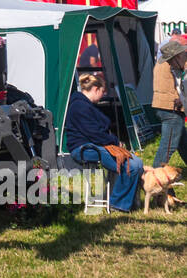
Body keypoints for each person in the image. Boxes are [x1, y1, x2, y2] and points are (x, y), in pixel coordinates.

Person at [64, 71, 143, 212]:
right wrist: (114, 141)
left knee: (136, 163)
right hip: (85, 149)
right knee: (132, 165)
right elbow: (94, 133)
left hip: (94, 146)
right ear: (95, 89)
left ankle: (121, 201)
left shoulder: (84, 104)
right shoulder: (79, 106)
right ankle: (117, 204)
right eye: (102, 91)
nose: (103, 95)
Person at [151, 39, 187, 169]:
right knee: (168, 147)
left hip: (164, 105)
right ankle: (155, 177)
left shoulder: (165, 62)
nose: (170, 64)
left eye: (171, 60)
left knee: (183, 143)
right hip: (170, 108)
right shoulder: (178, 63)